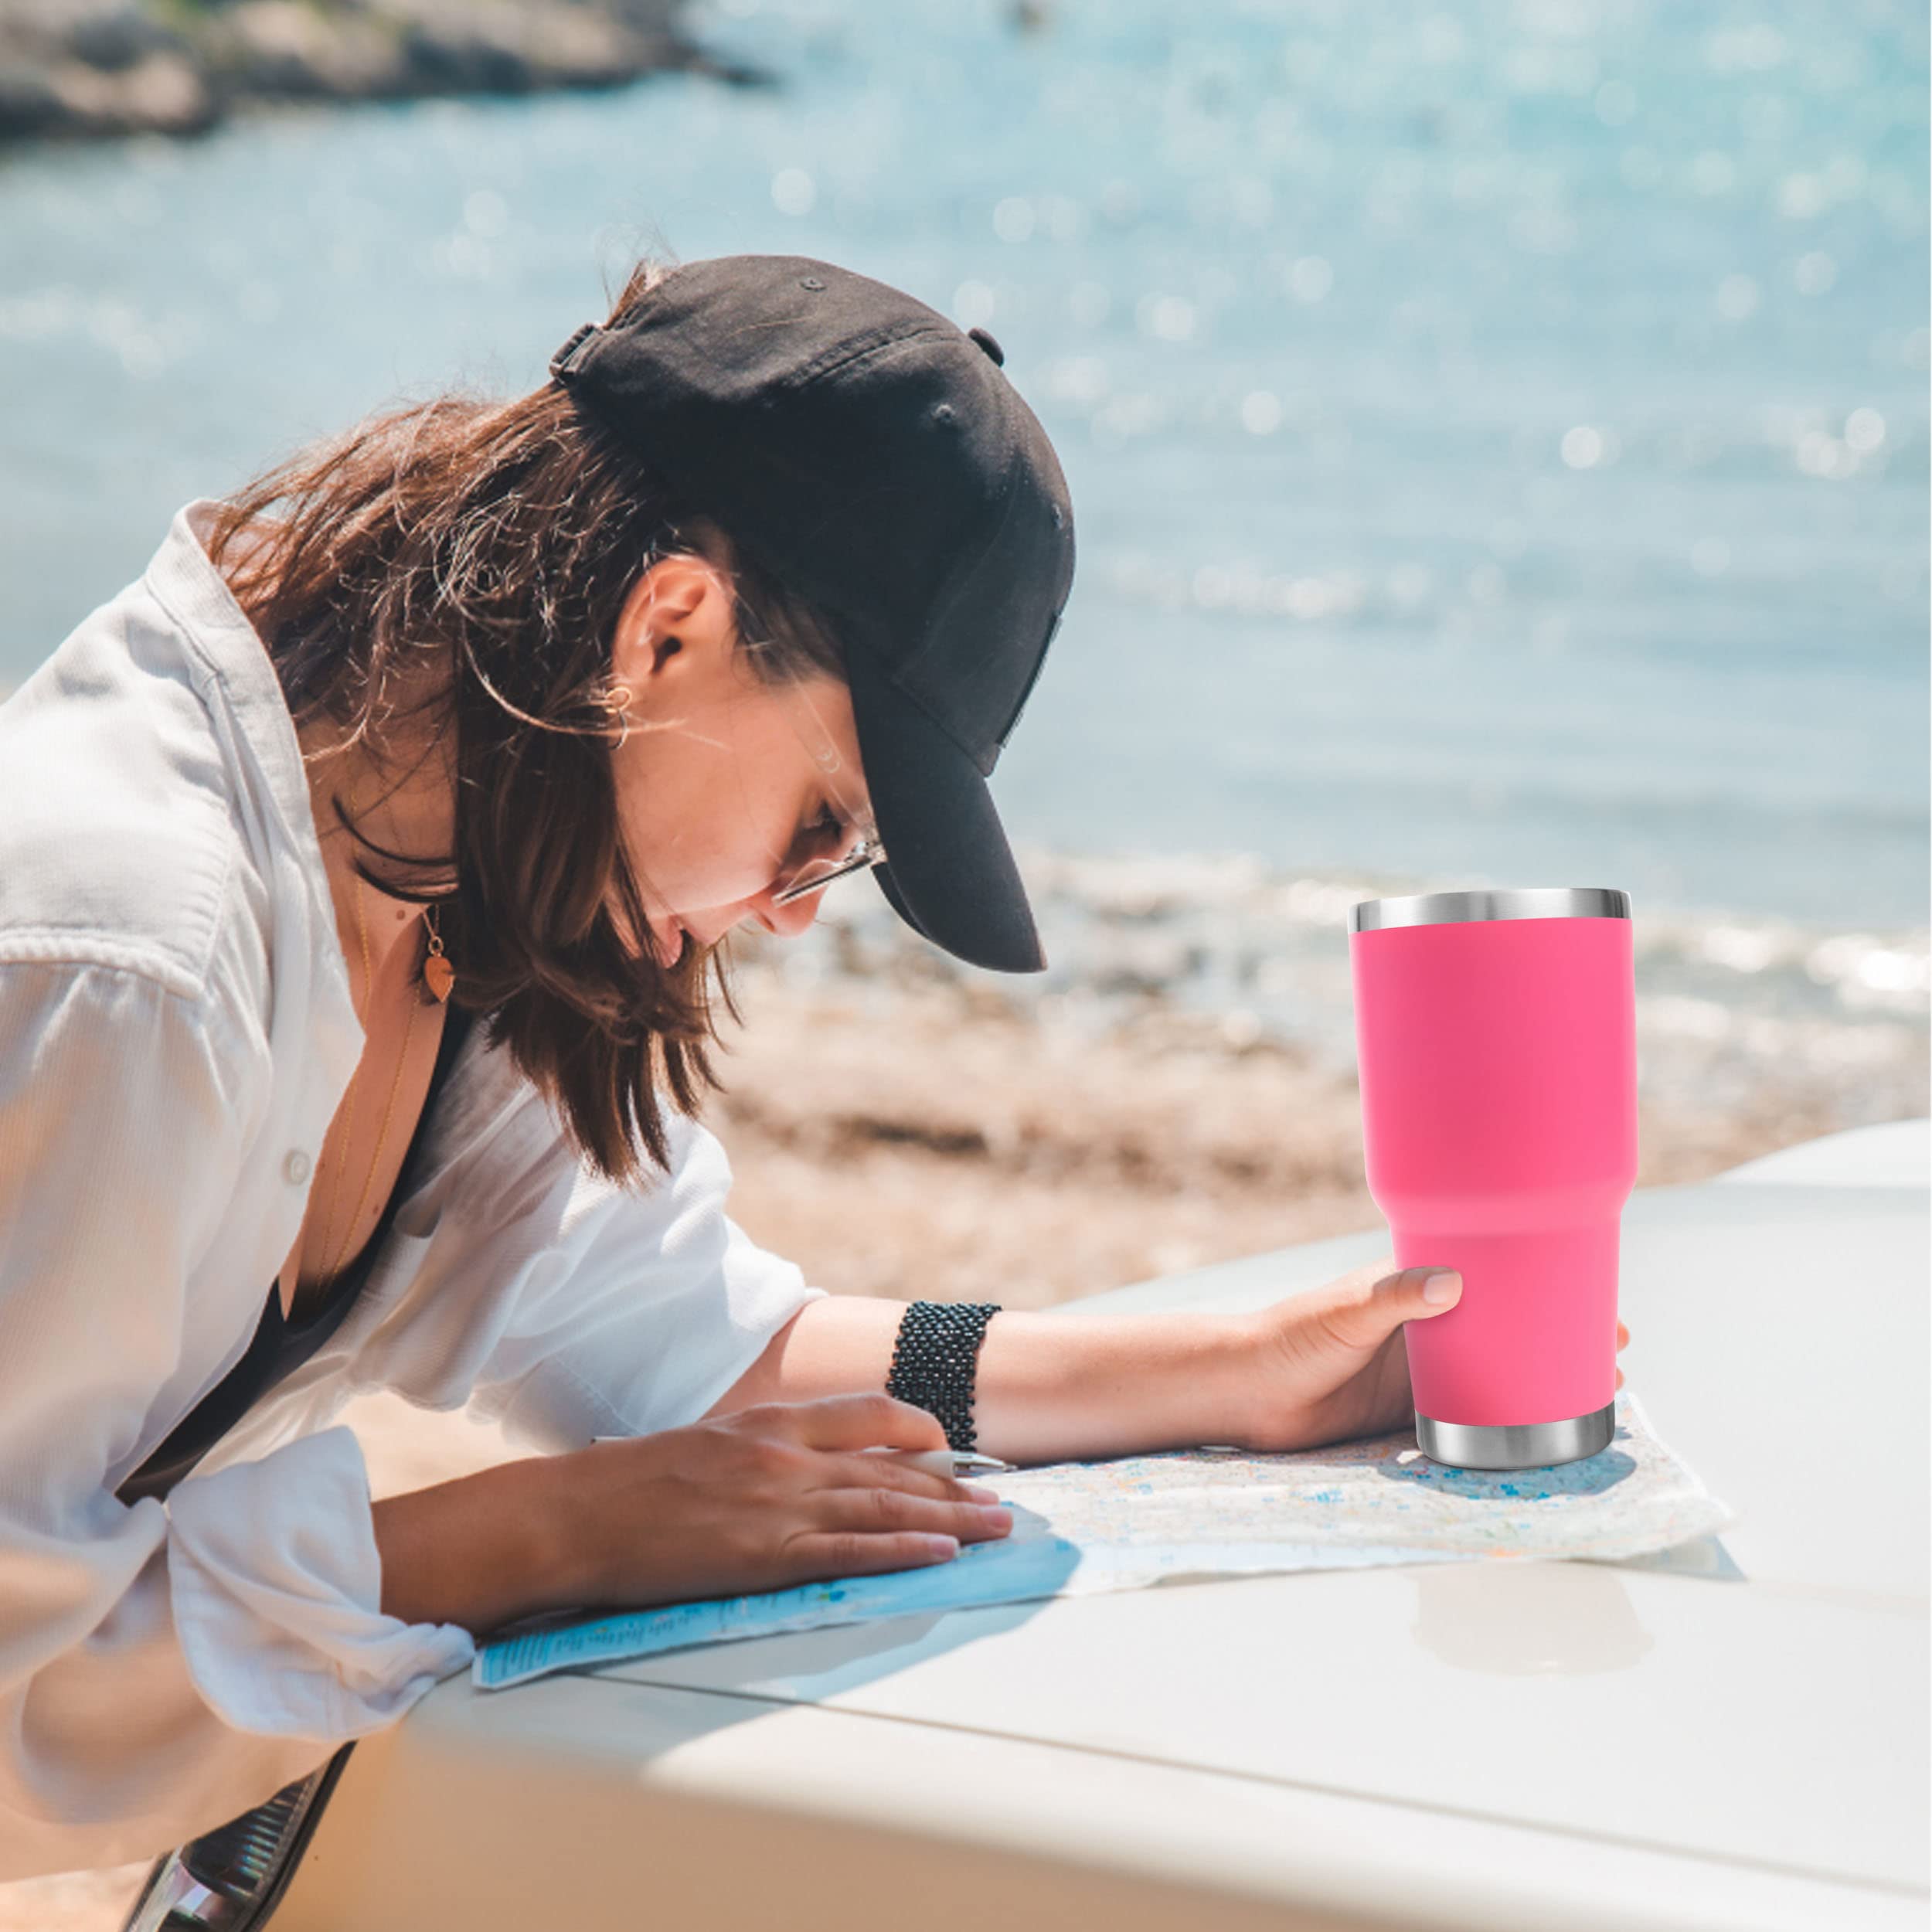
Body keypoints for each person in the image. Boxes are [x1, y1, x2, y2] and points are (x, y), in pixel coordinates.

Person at [0, 250, 1625, 1880]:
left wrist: (1233, 1369)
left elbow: (707, 1343)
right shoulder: (135, 956)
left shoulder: (451, 900)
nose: (786, 914)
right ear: (670, 627)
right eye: (823, 827)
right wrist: (557, 1529)